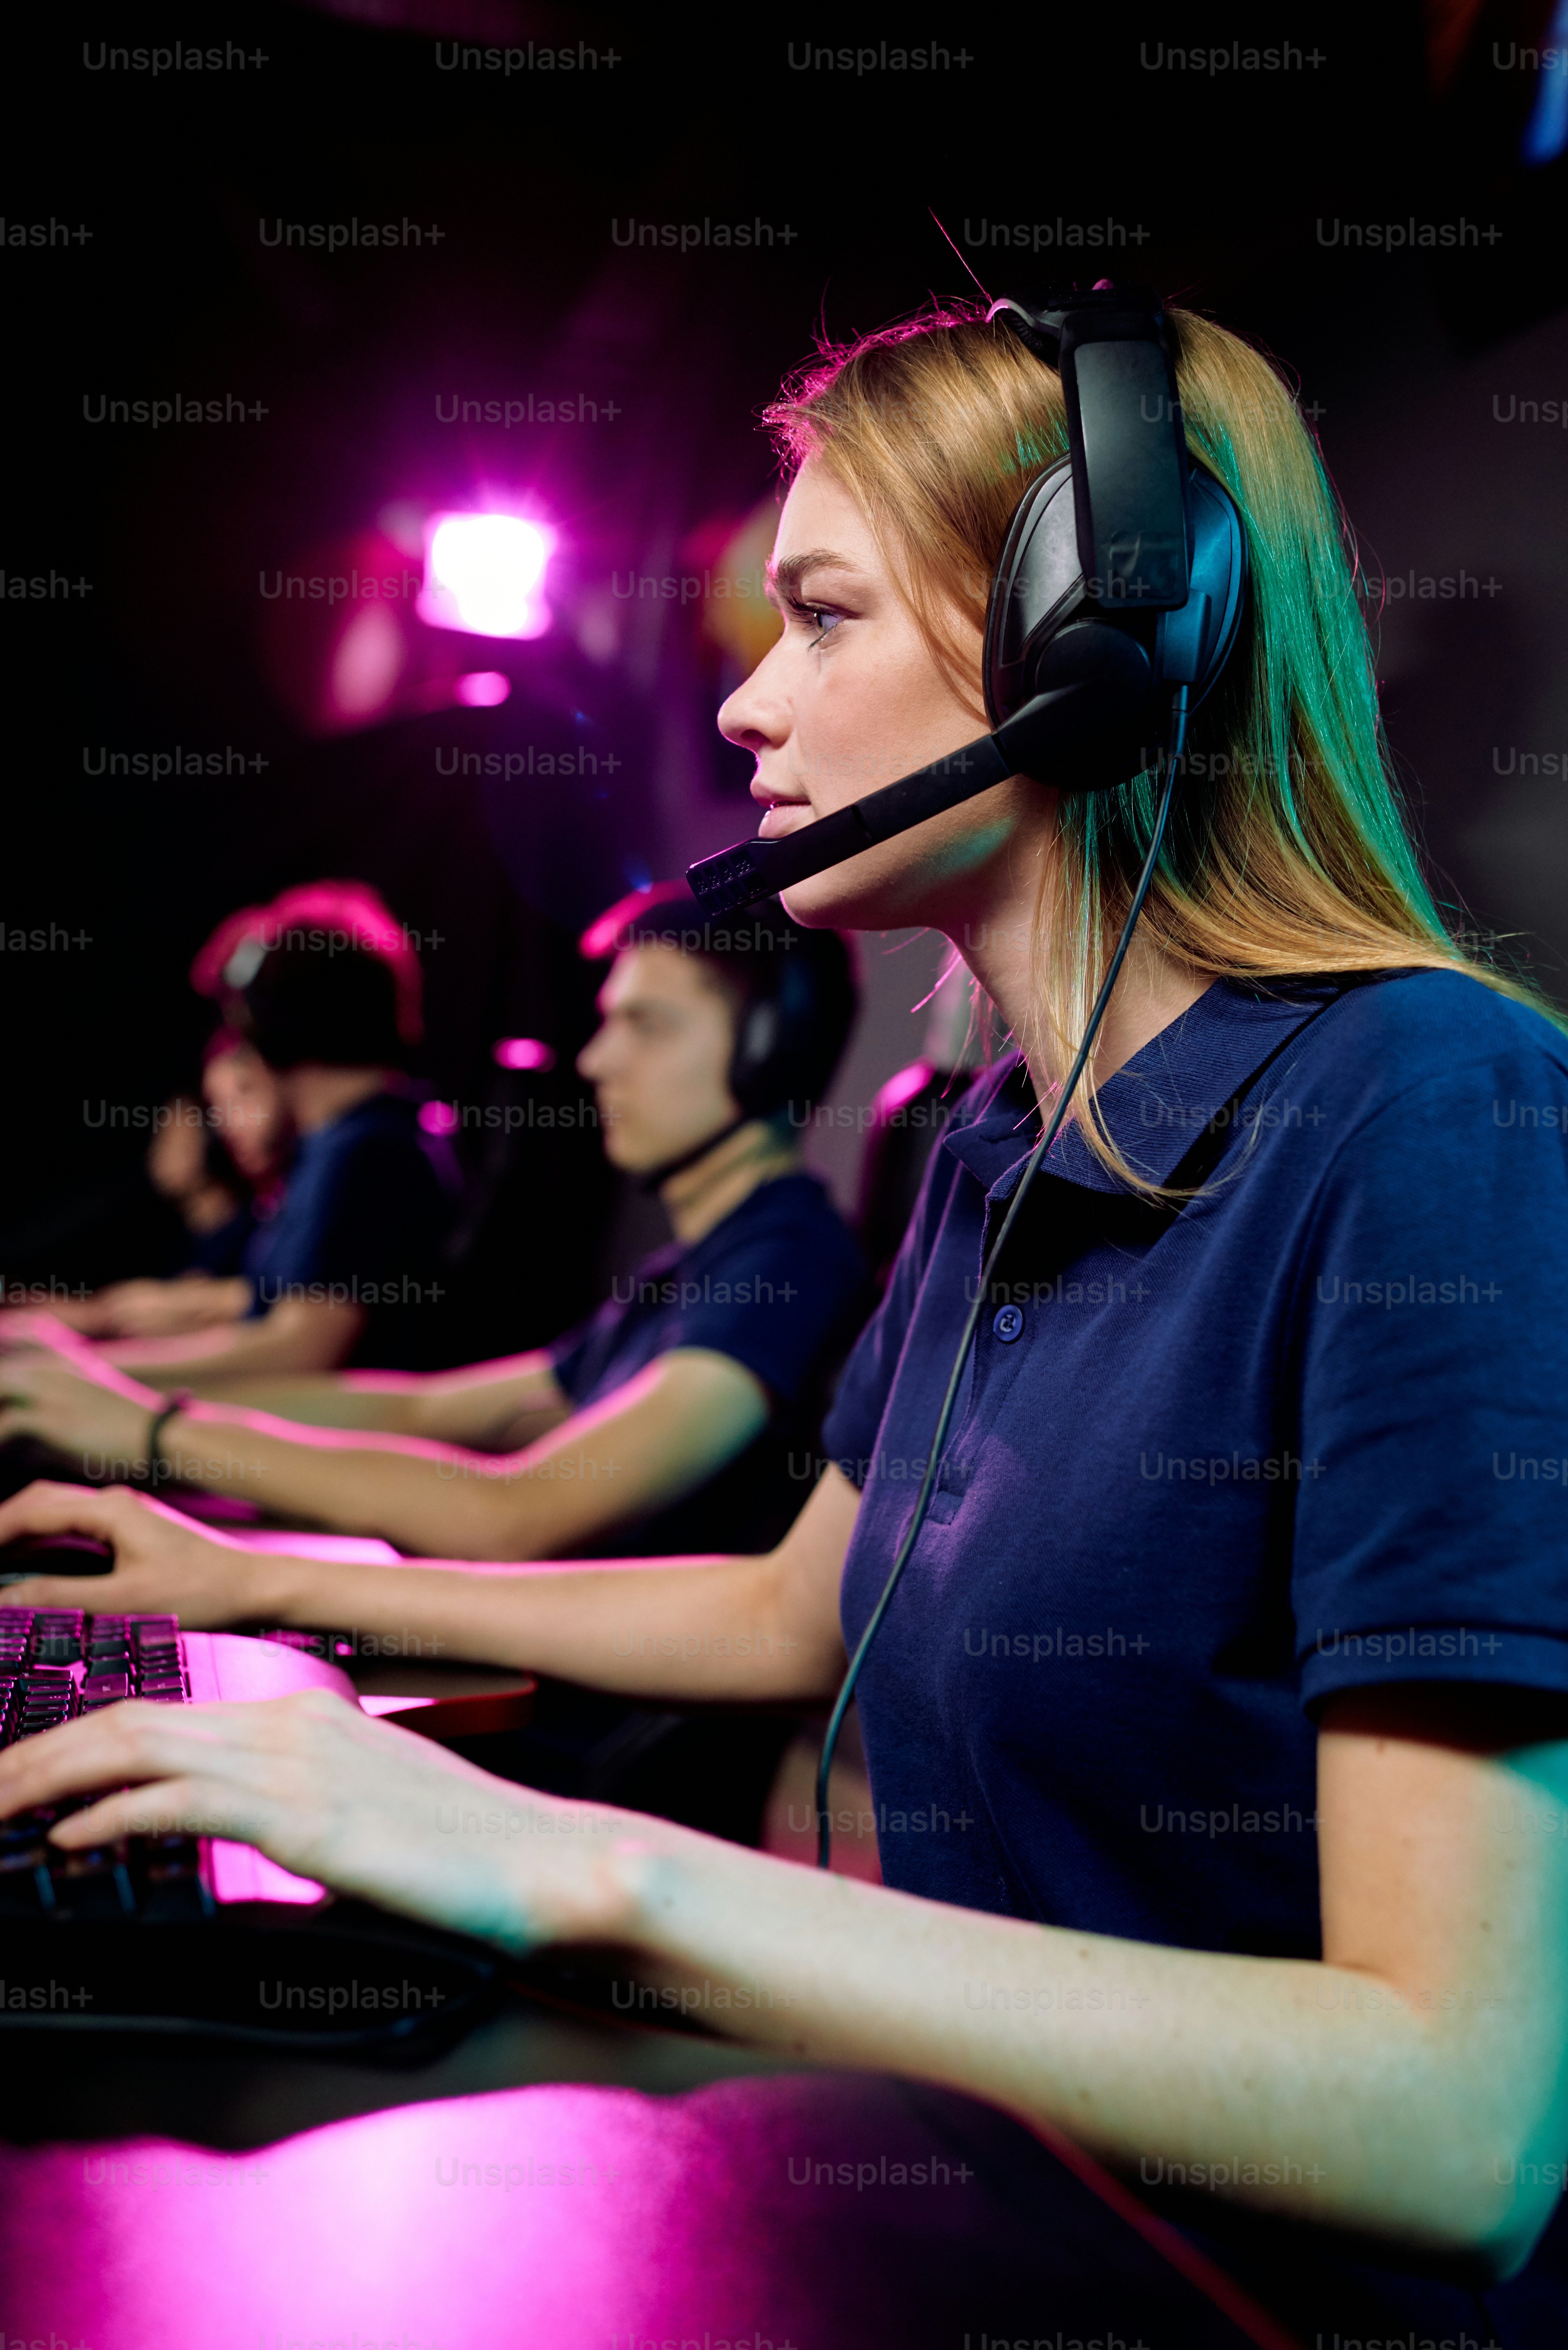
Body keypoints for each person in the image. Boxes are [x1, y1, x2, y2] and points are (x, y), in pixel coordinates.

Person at [4, 294, 1568, 2345]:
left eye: (818, 617)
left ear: (1087, 651)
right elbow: (786, 1615)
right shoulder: (997, 1138)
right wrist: (252, 1581)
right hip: (976, 2199)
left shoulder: (1424, 1107)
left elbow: (1455, 2120)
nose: (746, 706)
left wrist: (575, 1863)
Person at [0, 885, 868, 1569]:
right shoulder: (688, 1272)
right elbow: (427, 1406)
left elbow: (519, 1513)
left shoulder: (788, 1262)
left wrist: (157, 1435)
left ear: (768, 1051)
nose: (596, 1060)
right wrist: (131, 1404)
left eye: (642, 1025)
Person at [33, 1032, 291, 1345]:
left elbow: (282, 1308)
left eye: (243, 1096)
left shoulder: (260, 1218)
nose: (229, 1122)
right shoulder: (188, 1236)